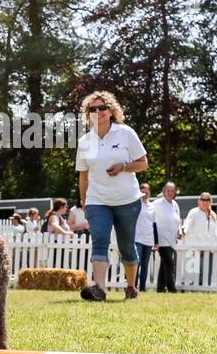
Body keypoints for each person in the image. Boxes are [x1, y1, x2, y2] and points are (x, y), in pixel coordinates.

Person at [75, 90, 148, 301]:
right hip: (98, 199)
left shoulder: (126, 133)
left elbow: (143, 164)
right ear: (88, 114)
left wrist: (124, 166)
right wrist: (85, 203)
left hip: (128, 200)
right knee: (99, 240)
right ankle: (99, 288)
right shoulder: (85, 142)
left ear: (111, 110)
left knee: (126, 246)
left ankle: (131, 286)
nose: (98, 112)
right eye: (93, 109)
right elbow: (83, 177)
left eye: (102, 108)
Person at [182, 192, 217, 286]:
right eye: (202, 199)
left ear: (210, 202)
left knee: (209, 272)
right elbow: (188, 223)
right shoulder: (194, 212)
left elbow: (216, 232)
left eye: (207, 200)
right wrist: (184, 230)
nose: (204, 202)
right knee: (198, 272)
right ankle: (197, 289)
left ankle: (206, 290)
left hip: (211, 249)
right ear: (199, 201)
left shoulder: (212, 215)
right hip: (198, 249)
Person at [150, 182, 182, 293]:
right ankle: (171, 288)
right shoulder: (157, 203)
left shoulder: (175, 204)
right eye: (168, 190)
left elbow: (178, 220)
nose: (170, 193)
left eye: (172, 191)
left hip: (172, 239)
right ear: (164, 191)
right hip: (161, 239)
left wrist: (180, 230)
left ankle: (160, 288)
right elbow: (149, 214)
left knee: (164, 264)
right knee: (169, 263)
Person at [134, 183, 156, 293]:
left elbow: (154, 224)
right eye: (143, 191)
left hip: (149, 239)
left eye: (147, 192)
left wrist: (155, 241)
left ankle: (142, 287)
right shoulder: (136, 204)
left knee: (145, 265)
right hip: (137, 238)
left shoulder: (152, 206)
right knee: (136, 263)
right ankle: (133, 286)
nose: (145, 194)